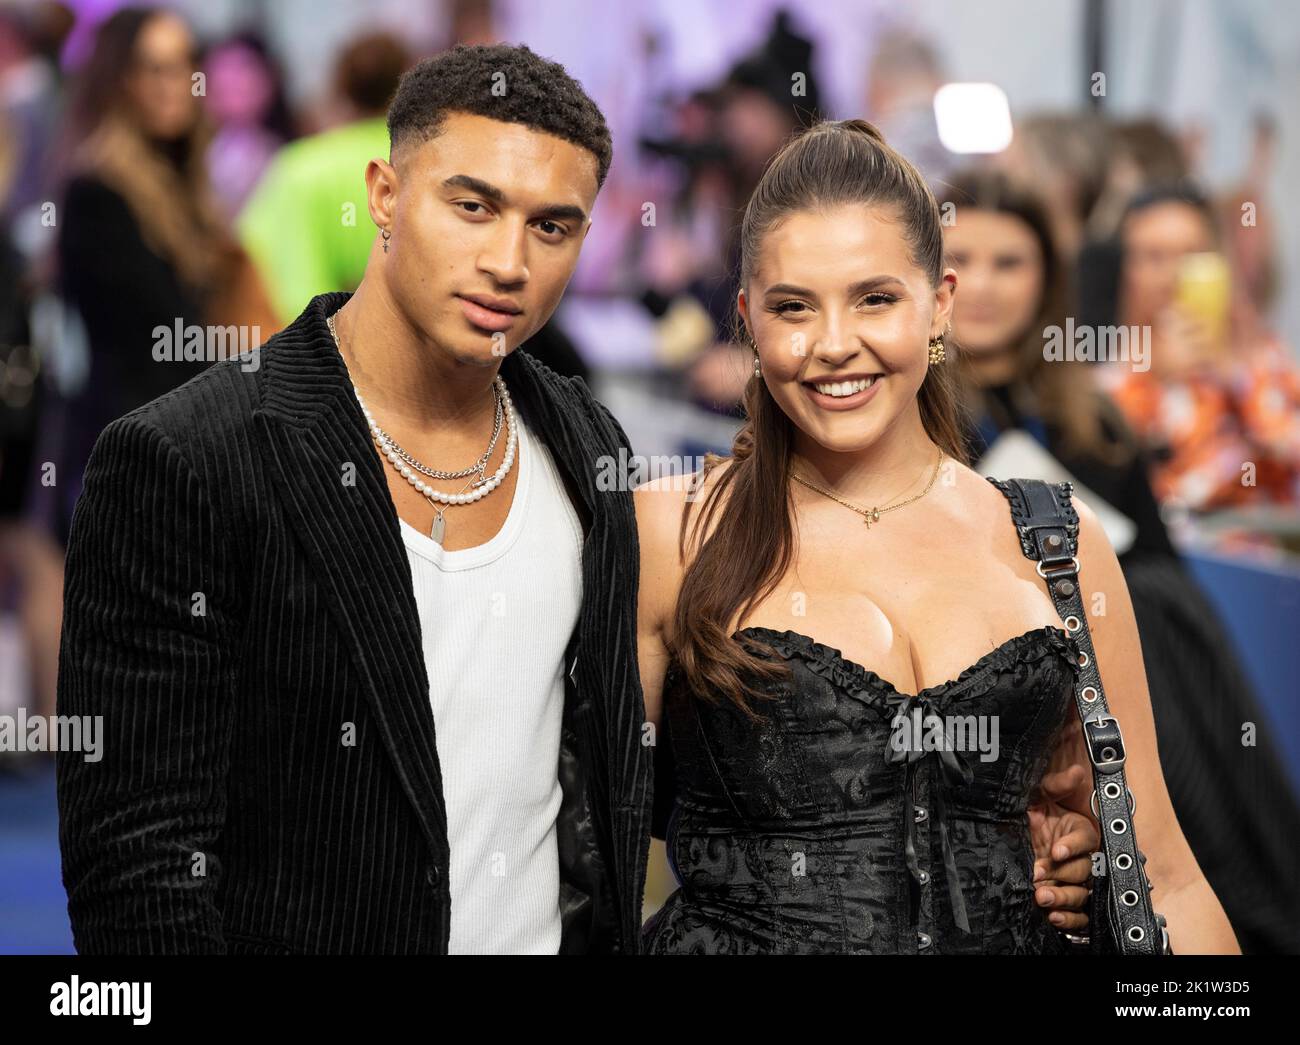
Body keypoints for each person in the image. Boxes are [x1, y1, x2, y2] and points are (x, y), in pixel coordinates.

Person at [56, 42, 644, 955]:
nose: (508, 261)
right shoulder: (189, 458)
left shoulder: (587, 444)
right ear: (384, 195)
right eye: (473, 205)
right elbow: (138, 868)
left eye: (552, 227)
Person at [634, 119, 1238, 953]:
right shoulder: (673, 527)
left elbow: (1165, 874)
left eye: (876, 298)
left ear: (939, 304)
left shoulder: (1056, 540)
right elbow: (593, 853)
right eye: (793, 307)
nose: (836, 344)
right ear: (747, 318)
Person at [940, 168, 1300, 953]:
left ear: (1047, 280)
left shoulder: (1096, 422)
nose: (988, 287)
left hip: (1164, 681)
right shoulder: (915, 429)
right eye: (964, 259)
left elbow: (1169, 568)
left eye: (1013, 262)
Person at [48, 6, 275, 545]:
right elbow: (163, 344)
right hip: (134, 464)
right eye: (155, 68)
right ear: (119, 80)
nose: (175, 84)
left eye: (184, 65)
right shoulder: (98, 194)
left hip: (187, 455)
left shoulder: (186, 186)